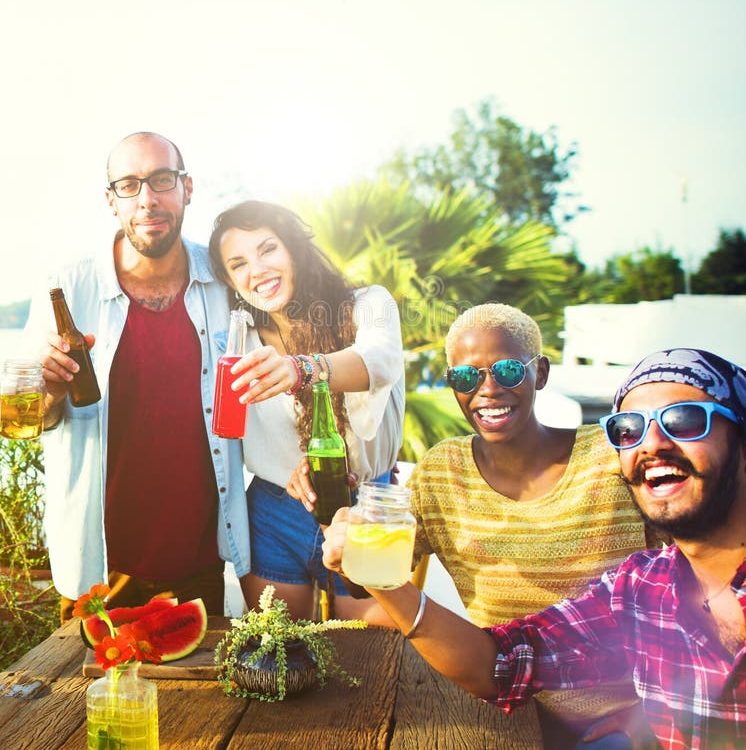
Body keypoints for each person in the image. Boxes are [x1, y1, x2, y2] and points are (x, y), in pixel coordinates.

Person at [322, 347, 746, 749]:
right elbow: (502, 665)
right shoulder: (639, 588)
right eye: (629, 430)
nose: (652, 444)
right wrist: (379, 575)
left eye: (687, 421)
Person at [292, 302, 658, 745]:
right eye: (466, 377)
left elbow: (690, 581)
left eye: (505, 370)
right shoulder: (442, 473)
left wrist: (650, 715)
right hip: (501, 702)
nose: (487, 390)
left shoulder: (611, 456)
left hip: (618, 723)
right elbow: (367, 581)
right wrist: (336, 515)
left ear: (539, 373)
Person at [26, 132, 249, 620]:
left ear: (187, 188)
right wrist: (51, 389)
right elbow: (38, 415)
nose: (148, 199)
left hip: (204, 563)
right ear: (111, 200)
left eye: (162, 180)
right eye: (129, 185)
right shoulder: (67, 286)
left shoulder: (225, 279)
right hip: (98, 568)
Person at [208, 199, 405, 621]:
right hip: (276, 512)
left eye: (267, 249)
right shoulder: (237, 344)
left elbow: (381, 359)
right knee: (284, 658)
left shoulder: (369, 303)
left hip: (367, 505)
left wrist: (302, 369)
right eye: (238, 264)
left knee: (371, 661)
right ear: (229, 280)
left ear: (294, 247)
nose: (257, 270)